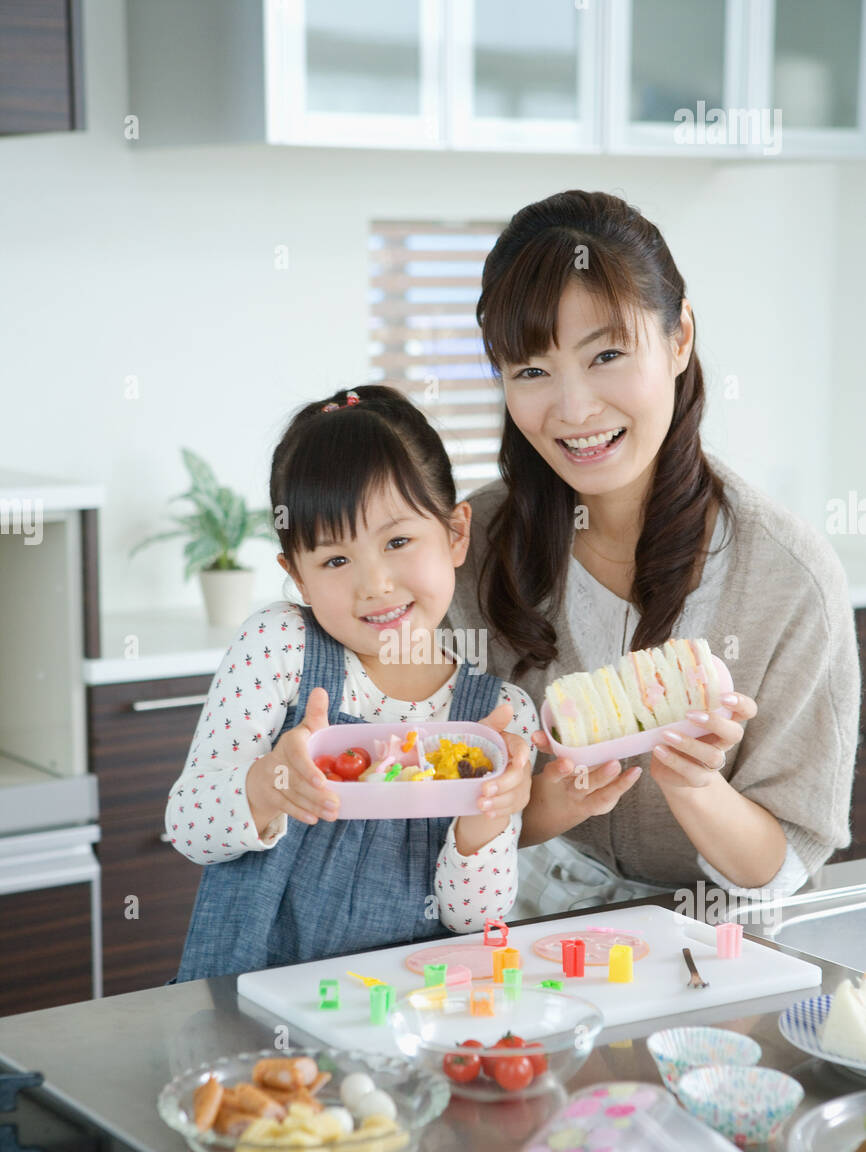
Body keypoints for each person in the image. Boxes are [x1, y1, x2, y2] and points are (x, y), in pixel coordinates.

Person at [447, 190, 860, 918]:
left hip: (710, 940)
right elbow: (418, 813)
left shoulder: (789, 580)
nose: (574, 410)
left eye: (607, 355)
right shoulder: (465, 547)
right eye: (532, 371)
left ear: (679, 340)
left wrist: (696, 786)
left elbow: (785, 859)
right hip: (509, 924)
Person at [167, 385, 537, 981]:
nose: (376, 584)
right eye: (335, 560)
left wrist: (486, 815)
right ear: (297, 575)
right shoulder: (281, 646)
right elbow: (187, 826)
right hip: (251, 1004)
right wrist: (269, 784)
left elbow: (474, 919)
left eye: (397, 541)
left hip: (406, 1016)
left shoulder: (497, 717)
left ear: (456, 534)